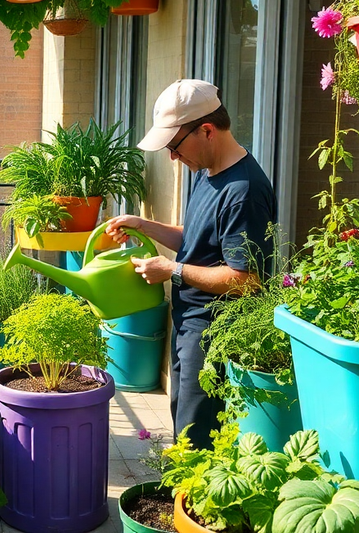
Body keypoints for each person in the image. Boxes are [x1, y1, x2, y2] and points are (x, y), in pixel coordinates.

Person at [105, 79, 276, 449]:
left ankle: (193, 487)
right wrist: (143, 224)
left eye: (175, 146)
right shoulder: (207, 173)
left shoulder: (243, 191)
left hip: (215, 331)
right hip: (189, 323)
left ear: (207, 130)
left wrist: (172, 270)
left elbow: (247, 279)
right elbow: (198, 239)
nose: (172, 157)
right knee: (183, 423)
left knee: (198, 435)